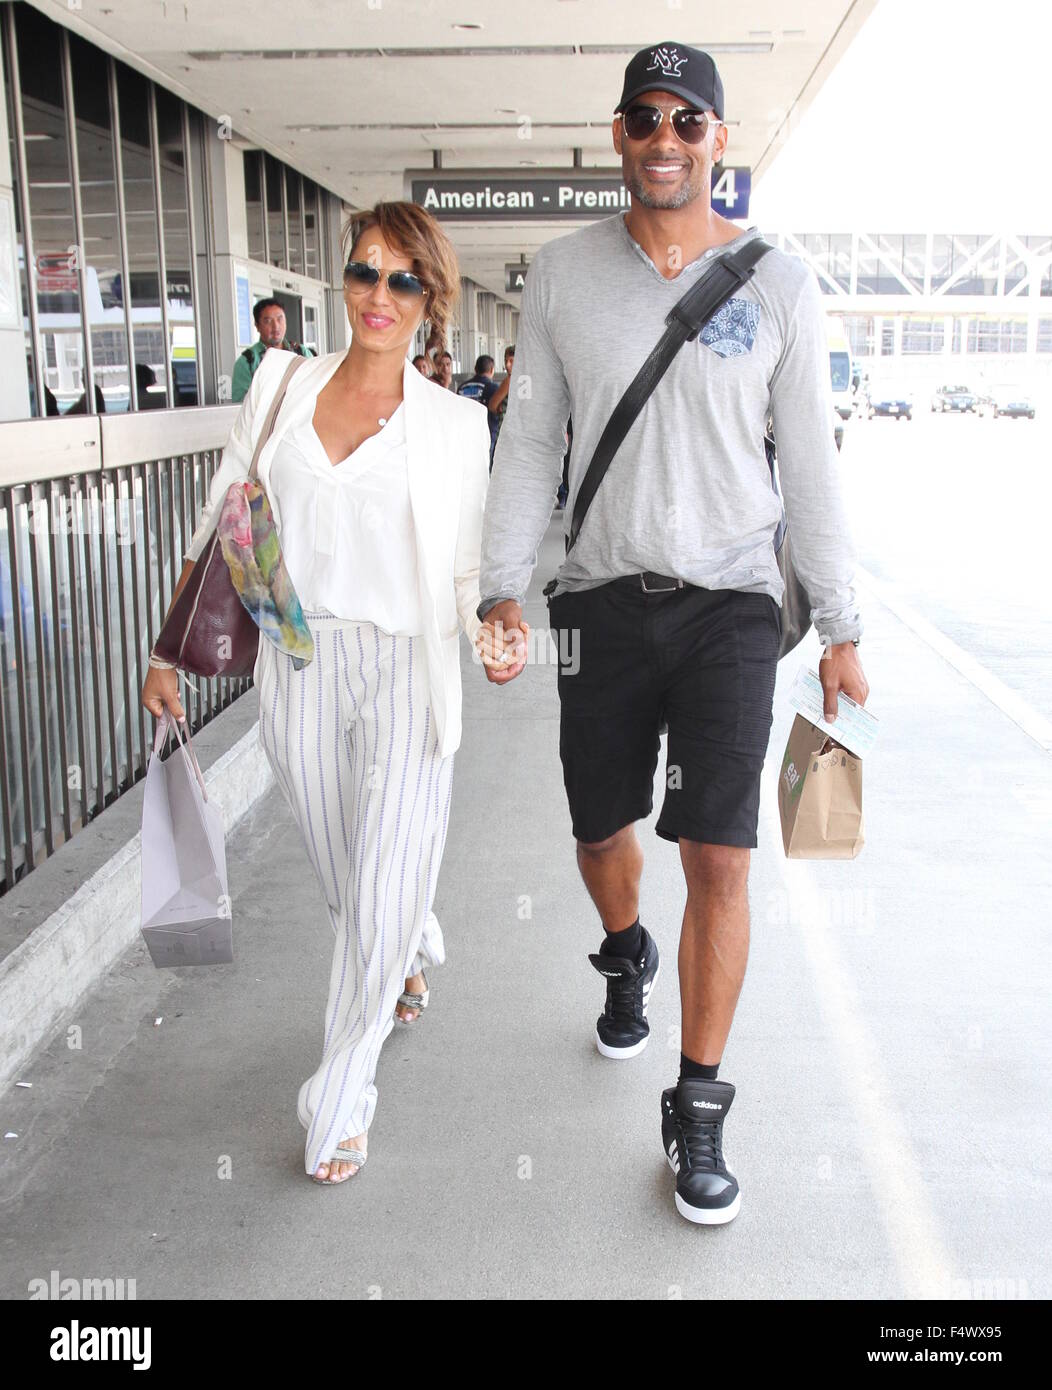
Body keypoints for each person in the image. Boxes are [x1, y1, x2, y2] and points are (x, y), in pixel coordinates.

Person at [476, 41, 868, 1226]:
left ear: (716, 141)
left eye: (685, 119)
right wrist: (500, 589)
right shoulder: (557, 277)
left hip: (730, 609)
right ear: (617, 136)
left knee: (720, 851)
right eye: (643, 116)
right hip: (597, 598)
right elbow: (531, 444)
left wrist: (841, 623)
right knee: (602, 828)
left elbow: (808, 468)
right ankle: (622, 946)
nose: (664, 137)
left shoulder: (778, 286)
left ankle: (696, 1102)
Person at [143, 201, 510, 1187]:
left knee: (383, 878)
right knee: (348, 864)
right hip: (296, 655)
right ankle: (407, 943)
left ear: (430, 297)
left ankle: (338, 1099)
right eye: (362, 272)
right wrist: (166, 650)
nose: (376, 295)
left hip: (405, 665)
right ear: (341, 281)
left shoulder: (455, 424)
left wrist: (494, 633)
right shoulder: (277, 385)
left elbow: (472, 572)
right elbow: (225, 517)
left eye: (399, 279)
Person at [231, 298, 316, 403]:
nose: (276, 326)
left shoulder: (301, 352)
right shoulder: (247, 362)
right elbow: (240, 405)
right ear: (257, 326)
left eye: (280, 319)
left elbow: (316, 386)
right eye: (268, 321)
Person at [456, 354, 502, 466]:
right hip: (485, 437)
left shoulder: (462, 387)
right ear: (492, 370)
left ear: (475, 369)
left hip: (463, 436)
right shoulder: (493, 388)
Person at [485, 345, 515, 470]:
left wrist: (499, 409)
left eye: (511, 361)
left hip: (505, 437)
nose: (507, 365)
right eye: (505, 360)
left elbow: (492, 405)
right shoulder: (527, 380)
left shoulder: (509, 380)